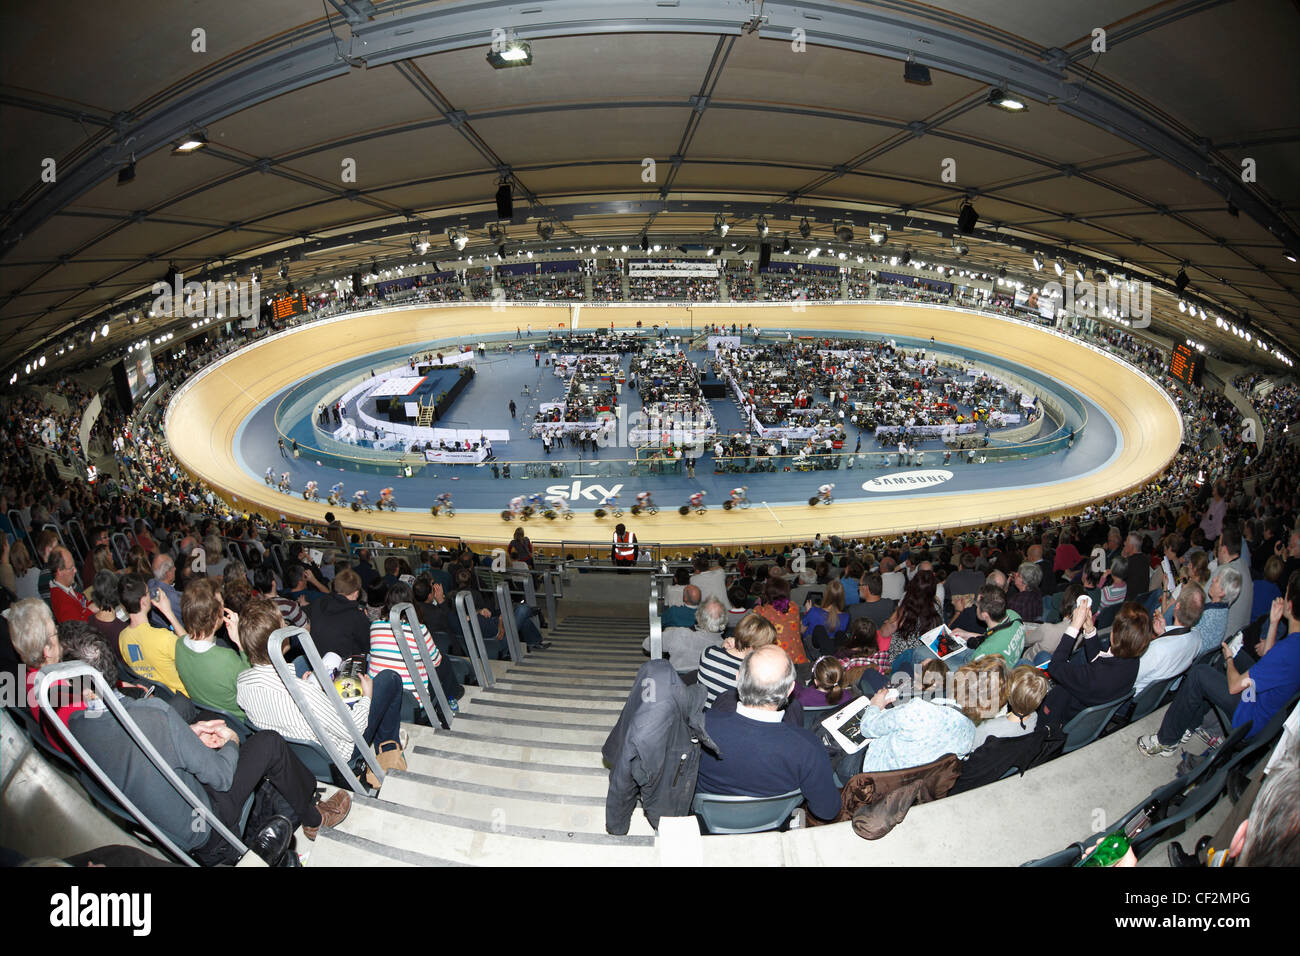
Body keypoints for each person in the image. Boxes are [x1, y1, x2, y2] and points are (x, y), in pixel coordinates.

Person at [63, 627, 351, 865]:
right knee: (269, 743)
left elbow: (136, 747)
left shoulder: (77, 725)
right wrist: (232, 742)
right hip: (207, 825)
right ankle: (315, 819)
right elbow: (223, 776)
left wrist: (186, 733)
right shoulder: (153, 714)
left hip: (168, 824)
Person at [1138, 581, 1300, 756]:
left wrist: (1229, 658)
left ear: (1290, 605)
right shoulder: (1294, 643)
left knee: (1199, 674)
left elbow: (1235, 686)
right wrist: (1274, 623)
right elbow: (1268, 658)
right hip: (1259, 700)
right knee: (1237, 660)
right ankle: (1191, 723)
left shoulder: (1287, 651)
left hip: (1250, 711)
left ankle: (1166, 741)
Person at [696, 646, 841, 822]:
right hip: (774, 828)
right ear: (790, 690)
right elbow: (827, 811)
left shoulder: (700, 725)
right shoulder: (808, 748)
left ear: (738, 679)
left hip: (709, 826)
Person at [853, 659, 977, 773]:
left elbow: (867, 728)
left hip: (873, 769)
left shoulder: (916, 710)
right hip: (914, 783)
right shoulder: (970, 731)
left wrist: (875, 705)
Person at [1041, 601, 1150, 729]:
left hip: (1065, 714)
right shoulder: (1133, 661)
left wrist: (1074, 627)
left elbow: (1055, 666)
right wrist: (1089, 629)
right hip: (1093, 706)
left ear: (1113, 635)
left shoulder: (1092, 677)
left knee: (1043, 658)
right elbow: (1100, 662)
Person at [174, 578, 250, 720]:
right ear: (216, 617)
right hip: (242, 721)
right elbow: (253, 683)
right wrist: (241, 643)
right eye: (222, 605)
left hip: (209, 716)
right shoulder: (226, 658)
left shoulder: (179, 646)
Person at [117, 573, 187, 694]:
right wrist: (168, 612)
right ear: (144, 601)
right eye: (148, 592)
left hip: (160, 696)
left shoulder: (122, 638)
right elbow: (192, 652)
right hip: (184, 694)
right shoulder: (163, 637)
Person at [697, 612, 777, 707]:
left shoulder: (708, 652)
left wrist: (724, 646)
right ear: (754, 647)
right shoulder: (752, 675)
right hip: (726, 720)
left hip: (699, 716)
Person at [647, 597, 727, 675]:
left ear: (698, 616)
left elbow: (647, 644)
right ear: (724, 621)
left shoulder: (680, 634)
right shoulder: (727, 648)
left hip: (676, 684)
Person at [754, 575, 808, 672]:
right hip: (799, 661)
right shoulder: (794, 607)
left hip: (777, 665)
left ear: (766, 594)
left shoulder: (760, 612)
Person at [802, 578, 848, 655]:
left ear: (826, 594)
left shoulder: (813, 612)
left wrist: (807, 612)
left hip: (811, 650)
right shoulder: (846, 617)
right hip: (833, 653)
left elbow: (801, 630)